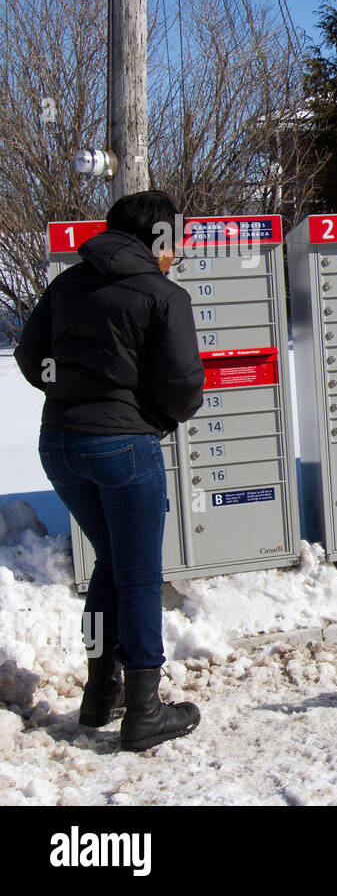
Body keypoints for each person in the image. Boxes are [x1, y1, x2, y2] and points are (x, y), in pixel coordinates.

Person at [16, 190, 204, 751]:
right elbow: (182, 387)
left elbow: (31, 358)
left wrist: (73, 394)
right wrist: (147, 417)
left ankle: (102, 691)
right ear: (160, 238)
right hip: (122, 447)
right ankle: (144, 710)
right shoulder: (162, 295)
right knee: (140, 574)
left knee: (112, 564)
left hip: (61, 446)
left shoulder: (68, 284)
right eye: (175, 237)